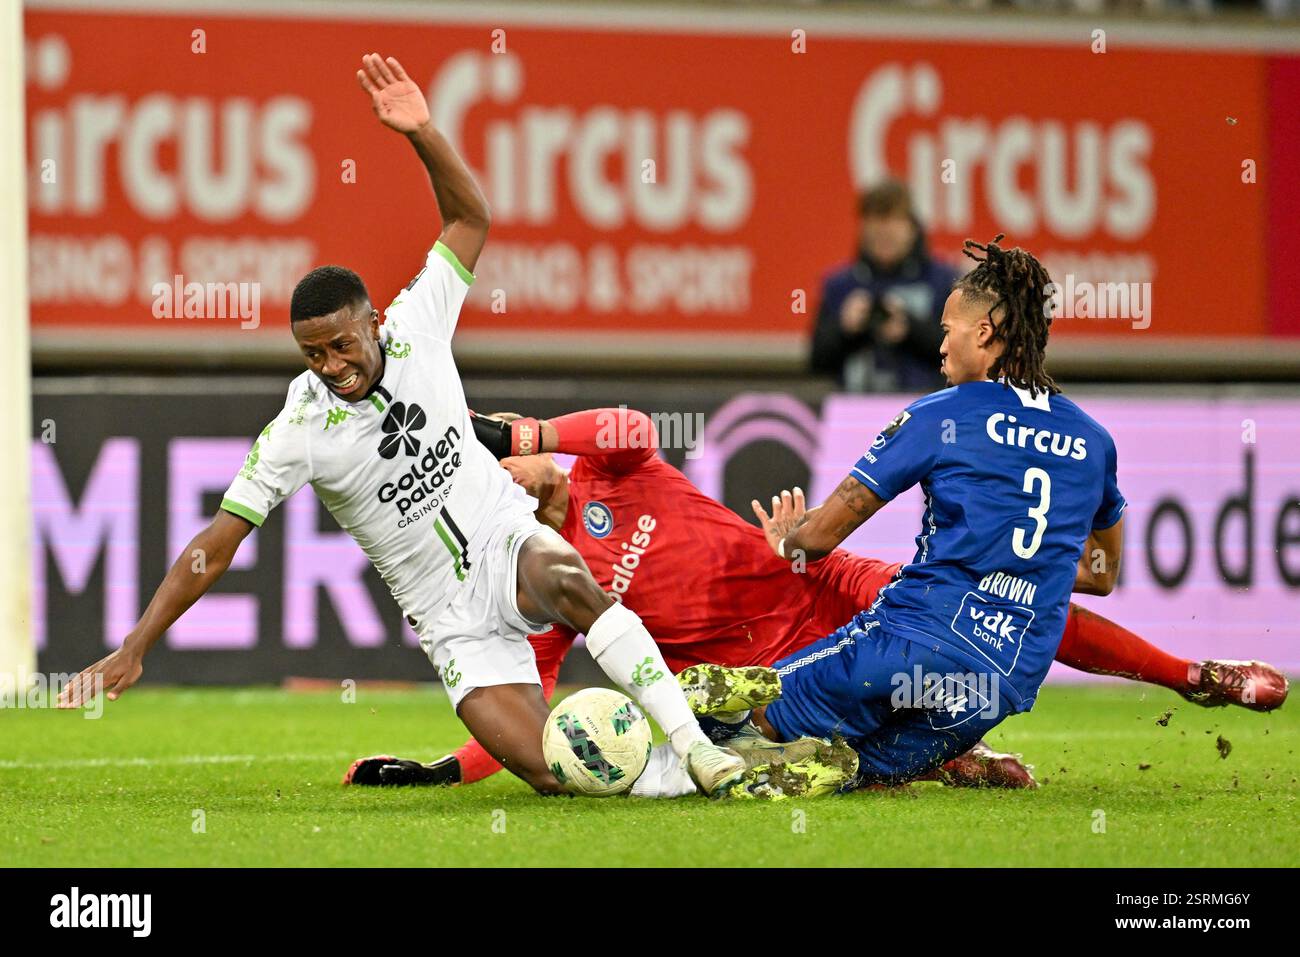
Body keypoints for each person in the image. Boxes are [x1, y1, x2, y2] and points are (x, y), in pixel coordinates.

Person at [56, 53, 759, 800]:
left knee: (568, 579)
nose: (331, 364)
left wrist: (422, 132)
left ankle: (693, 744)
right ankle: (695, 767)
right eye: (312, 352)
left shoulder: (418, 323)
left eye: (340, 343)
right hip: (447, 619)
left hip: (503, 539)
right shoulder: (300, 425)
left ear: (371, 321)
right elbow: (216, 544)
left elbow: (470, 218)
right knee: (557, 775)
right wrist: (134, 646)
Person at [345, 404, 1286, 795]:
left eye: (499, 461)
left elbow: (633, 424)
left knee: (1000, 603)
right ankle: (947, 756)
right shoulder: (541, 582)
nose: (509, 479)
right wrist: (440, 773)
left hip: (811, 577)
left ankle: (1192, 672)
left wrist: (519, 424)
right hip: (755, 675)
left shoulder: (606, 460)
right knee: (820, 754)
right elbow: (529, 719)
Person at [738, 235, 1144, 787]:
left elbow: (820, 540)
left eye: (947, 331)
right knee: (857, 774)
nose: (940, 347)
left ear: (984, 333)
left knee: (744, 715)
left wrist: (788, 540)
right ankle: (934, 763)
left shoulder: (942, 415)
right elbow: (1101, 576)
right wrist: (1025, 570)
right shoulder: (1093, 440)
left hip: (913, 642)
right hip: (1005, 680)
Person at [810, 180, 958, 393]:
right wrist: (845, 330)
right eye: (876, 223)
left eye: (893, 222)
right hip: (854, 412)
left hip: (923, 407)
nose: (884, 232)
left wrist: (909, 330)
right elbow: (816, 360)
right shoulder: (839, 285)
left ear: (912, 228)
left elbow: (960, 353)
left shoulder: (942, 282)